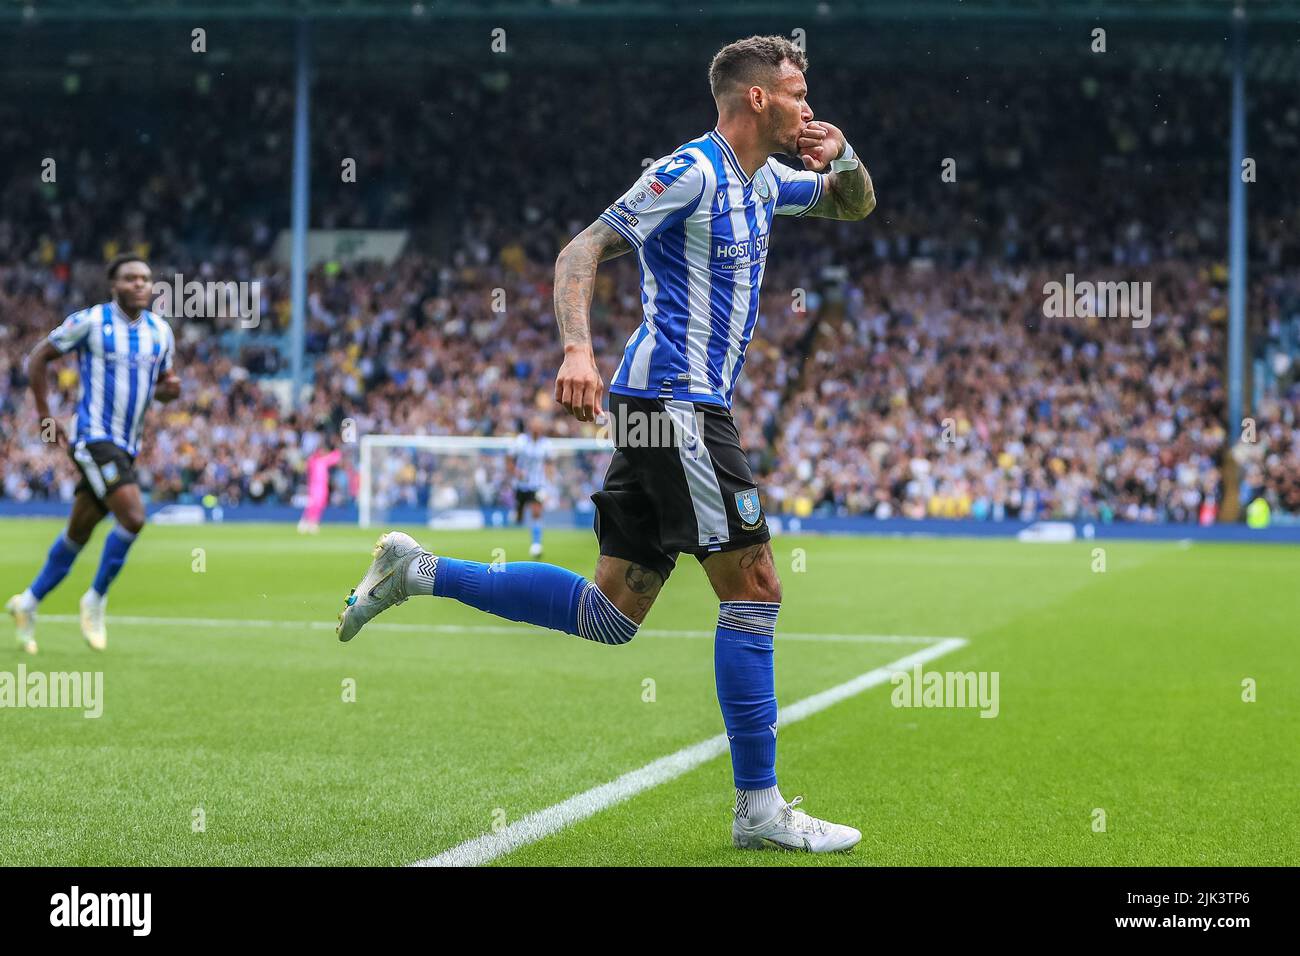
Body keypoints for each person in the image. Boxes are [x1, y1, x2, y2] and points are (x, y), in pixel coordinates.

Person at [334, 35, 874, 852]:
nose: (810, 104)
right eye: (799, 92)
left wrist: (847, 153)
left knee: (612, 612)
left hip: (671, 403)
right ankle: (759, 809)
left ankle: (418, 570)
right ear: (756, 99)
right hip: (674, 400)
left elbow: (851, 203)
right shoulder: (689, 171)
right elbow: (581, 248)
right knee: (756, 587)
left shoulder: (766, 180)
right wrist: (576, 347)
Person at [6, 256, 179, 653]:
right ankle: (95, 598)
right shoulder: (90, 322)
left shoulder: (160, 331)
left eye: (145, 279)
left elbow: (166, 385)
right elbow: (38, 357)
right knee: (134, 517)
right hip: (92, 438)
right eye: (130, 278)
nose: (139, 284)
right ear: (113, 285)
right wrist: (46, 417)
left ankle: (27, 603)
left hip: (127, 445)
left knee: (78, 532)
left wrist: (171, 391)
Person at [510, 418, 552, 558]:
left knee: (536, 512)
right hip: (521, 484)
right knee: (518, 518)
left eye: (539, 427)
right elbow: (509, 459)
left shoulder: (546, 444)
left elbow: (549, 463)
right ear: (529, 427)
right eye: (534, 426)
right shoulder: (520, 441)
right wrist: (516, 472)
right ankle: (517, 514)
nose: (536, 429)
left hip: (537, 484)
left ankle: (536, 544)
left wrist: (549, 482)